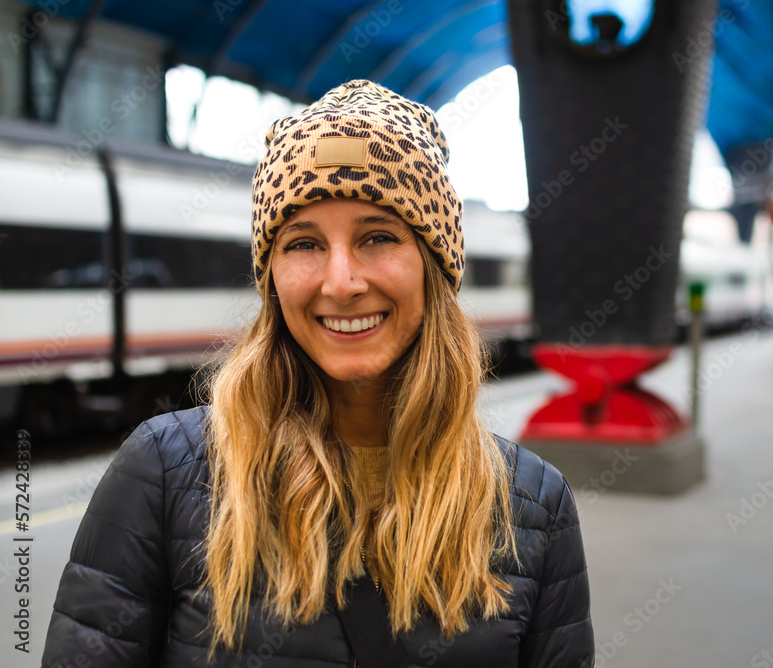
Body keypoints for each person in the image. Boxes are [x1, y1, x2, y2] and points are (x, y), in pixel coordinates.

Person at [41, 79, 595, 667]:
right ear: (271, 279)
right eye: (303, 244)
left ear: (434, 267)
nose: (341, 282)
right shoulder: (162, 475)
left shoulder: (534, 507)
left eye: (377, 237)